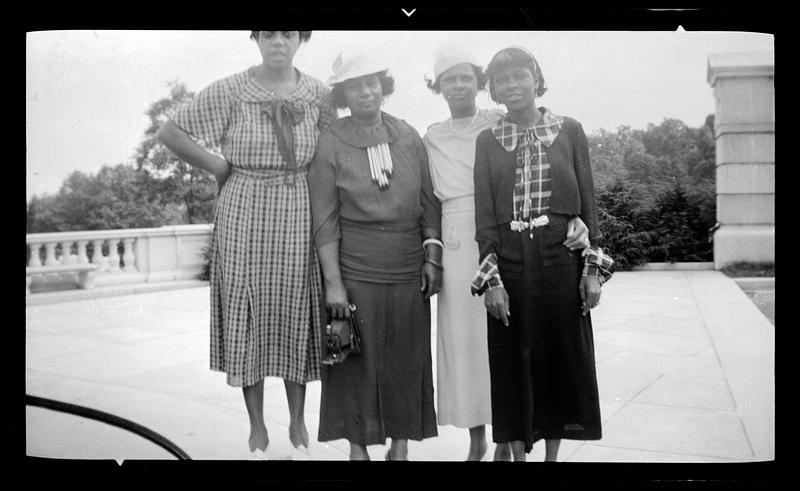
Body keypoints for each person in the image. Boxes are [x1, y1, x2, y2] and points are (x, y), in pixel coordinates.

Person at [156, 31, 336, 460]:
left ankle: (297, 424)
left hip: (298, 205)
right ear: (255, 38)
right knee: (247, 308)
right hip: (244, 206)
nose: (279, 41)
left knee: (295, 306)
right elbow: (171, 132)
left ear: (301, 39)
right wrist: (217, 165)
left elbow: (333, 151)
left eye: (288, 33)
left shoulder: (319, 93)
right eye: (268, 32)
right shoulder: (231, 89)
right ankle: (257, 430)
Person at [423, 45, 590, 462]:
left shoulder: (519, 125)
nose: (458, 85)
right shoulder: (451, 136)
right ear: (438, 86)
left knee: (531, 347)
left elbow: (577, 193)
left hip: (530, 245)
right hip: (474, 241)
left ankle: (514, 441)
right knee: (481, 346)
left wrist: (579, 227)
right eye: (449, 78)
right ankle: (485, 438)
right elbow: (440, 201)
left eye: (466, 76)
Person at [471, 46, 614, 462]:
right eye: (502, 80)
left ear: (536, 78)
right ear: (494, 89)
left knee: (558, 359)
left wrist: (591, 270)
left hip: (560, 255)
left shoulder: (568, 130)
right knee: (512, 359)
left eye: (520, 76)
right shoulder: (488, 140)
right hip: (511, 258)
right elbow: (484, 217)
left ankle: (551, 461)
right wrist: (492, 281)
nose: (512, 85)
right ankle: (518, 458)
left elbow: (587, 202)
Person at [308, 52, 441, 461]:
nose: (365, 91)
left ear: (384, 86)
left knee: (405, 356)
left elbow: (427, 203)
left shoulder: (407, 135)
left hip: (406, 267)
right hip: (356, 266)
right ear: (343, 93)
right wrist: (334, 283)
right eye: (354, 85)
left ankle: (400, 445)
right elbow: (325, 217)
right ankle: (357, 447)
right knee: (353, 361)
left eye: (372, 83)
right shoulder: (330, 140)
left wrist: (431, 256)